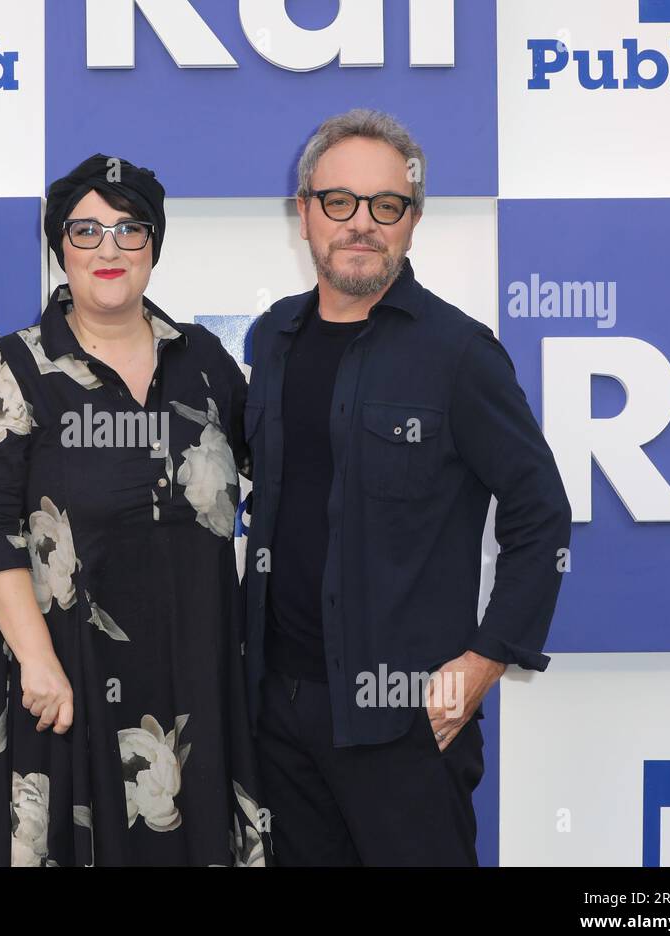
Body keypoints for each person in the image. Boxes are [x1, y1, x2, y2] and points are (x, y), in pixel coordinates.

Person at [245, 109, 572, 866]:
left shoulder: (460, 354)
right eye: (339, 202)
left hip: (406, 722)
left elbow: (541, 513)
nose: (361, 224)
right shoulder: (274, 339)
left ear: (412, 222)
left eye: (386, 206)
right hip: (278, 714)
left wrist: (487, 657)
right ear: (305, 215)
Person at [0, 154, 266, 866]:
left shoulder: (207, 363)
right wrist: (37, 664)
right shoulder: (17, 369)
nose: (108, 249)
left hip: (195, 684)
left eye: (130, 230)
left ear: (155, 245)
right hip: (62, 685)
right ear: (58, 244)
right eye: (86, 230)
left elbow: (281, 479)